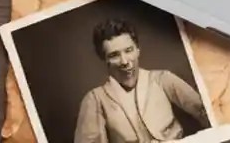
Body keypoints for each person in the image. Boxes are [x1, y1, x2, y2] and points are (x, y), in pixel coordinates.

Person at [73, 19, 210, 143]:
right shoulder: (95, 99)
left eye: (128, 50)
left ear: (138, 50)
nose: (124, 61)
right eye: (114, 55)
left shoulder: (163, 79)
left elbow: (207, 114)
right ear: (105, 60)